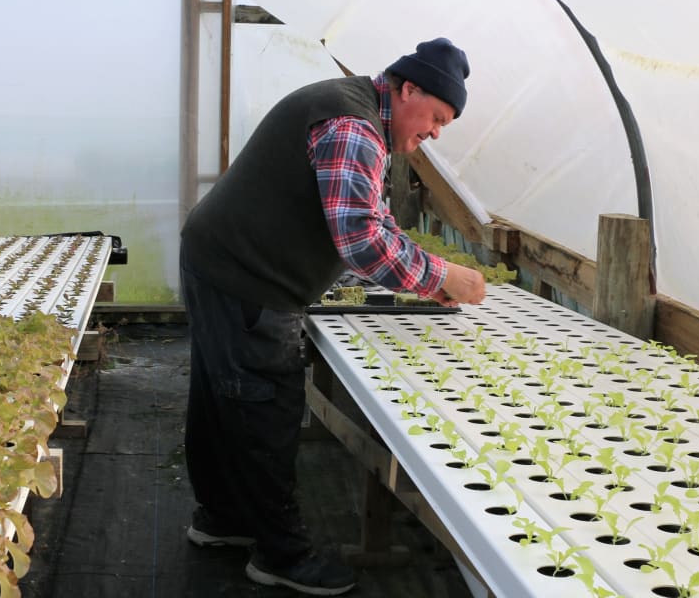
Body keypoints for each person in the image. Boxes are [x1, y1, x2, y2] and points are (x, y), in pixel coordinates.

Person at [178, 37, 486, 595]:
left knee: (222, 397)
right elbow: (362, 242)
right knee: (263, 405)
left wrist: (426, 278)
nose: (437, 132)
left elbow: (375, 218)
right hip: (249, 275)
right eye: (436, 116)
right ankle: (281, 556)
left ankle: (221, 519)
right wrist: (443, 276)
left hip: (218, 260)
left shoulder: (356, 111)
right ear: (409, 88)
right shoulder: (353, 126)